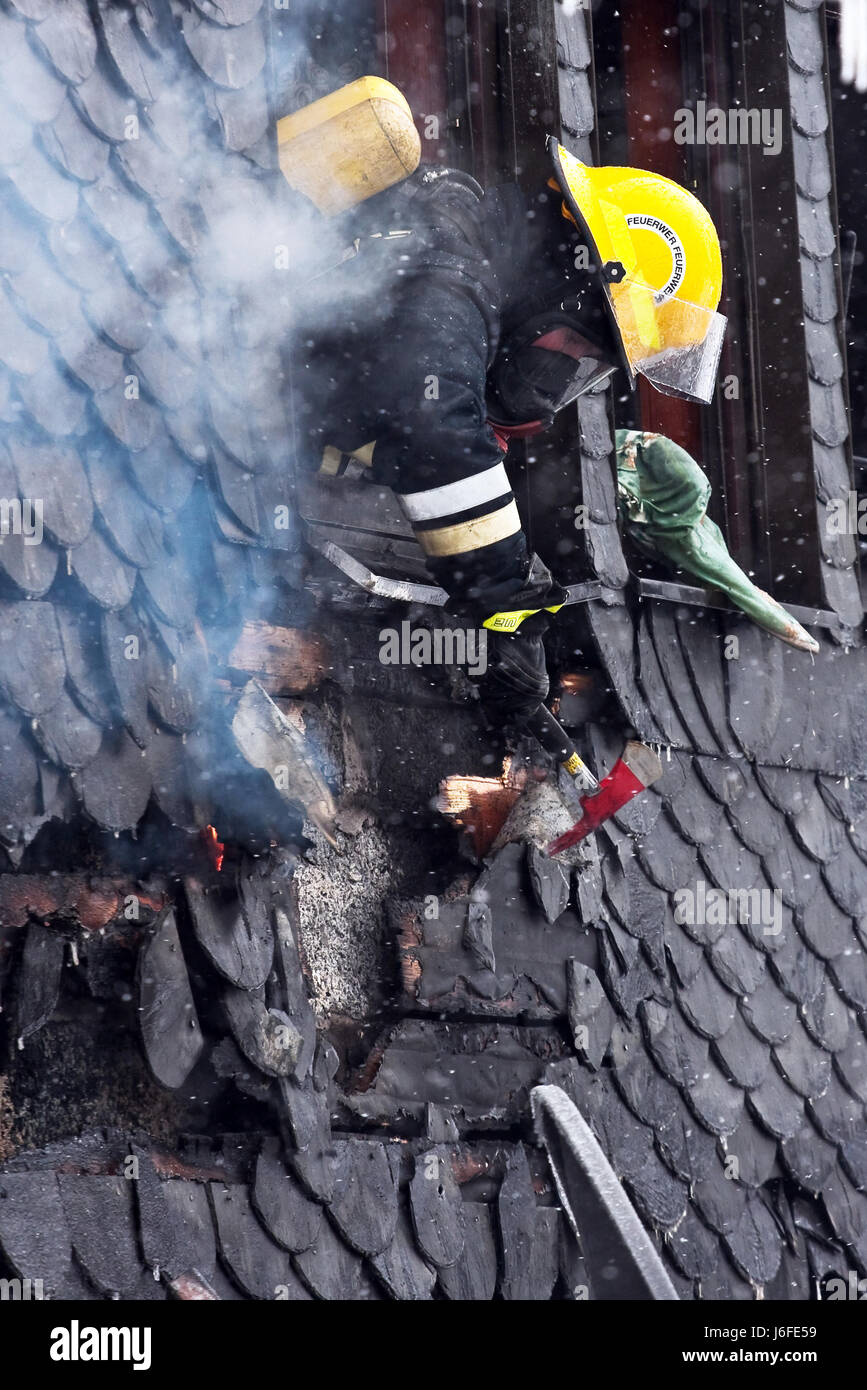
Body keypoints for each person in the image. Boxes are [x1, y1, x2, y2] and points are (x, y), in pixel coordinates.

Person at [294, 138, 727, 726]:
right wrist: (506, 603)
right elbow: (434, 417)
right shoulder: (447, 260)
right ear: (565, 283)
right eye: (579, 346)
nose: (564, 378)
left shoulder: (469, 266)